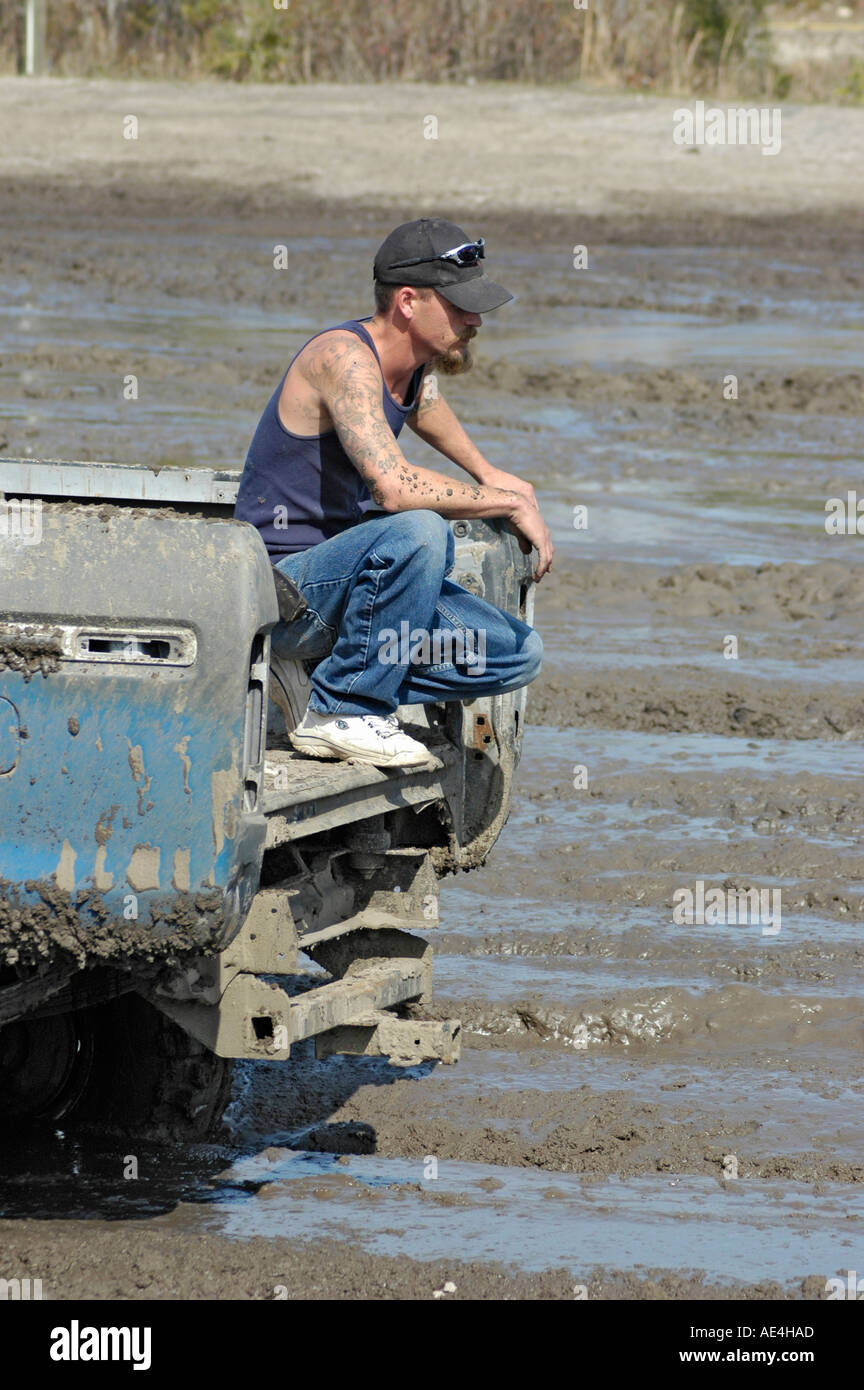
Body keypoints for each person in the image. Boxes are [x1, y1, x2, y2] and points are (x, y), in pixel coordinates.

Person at [234, 216, 553, 769]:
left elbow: (424, 404)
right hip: (286, 591)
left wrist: (487, 471)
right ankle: (342, 709)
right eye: (460, 306)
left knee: (515, 653)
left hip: (355, 592)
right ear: (408, 301)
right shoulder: (343, 358)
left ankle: (328, 677)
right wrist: (510, 501)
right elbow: (395, 487)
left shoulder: (411, 365)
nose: (475, 319)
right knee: (419, 529)